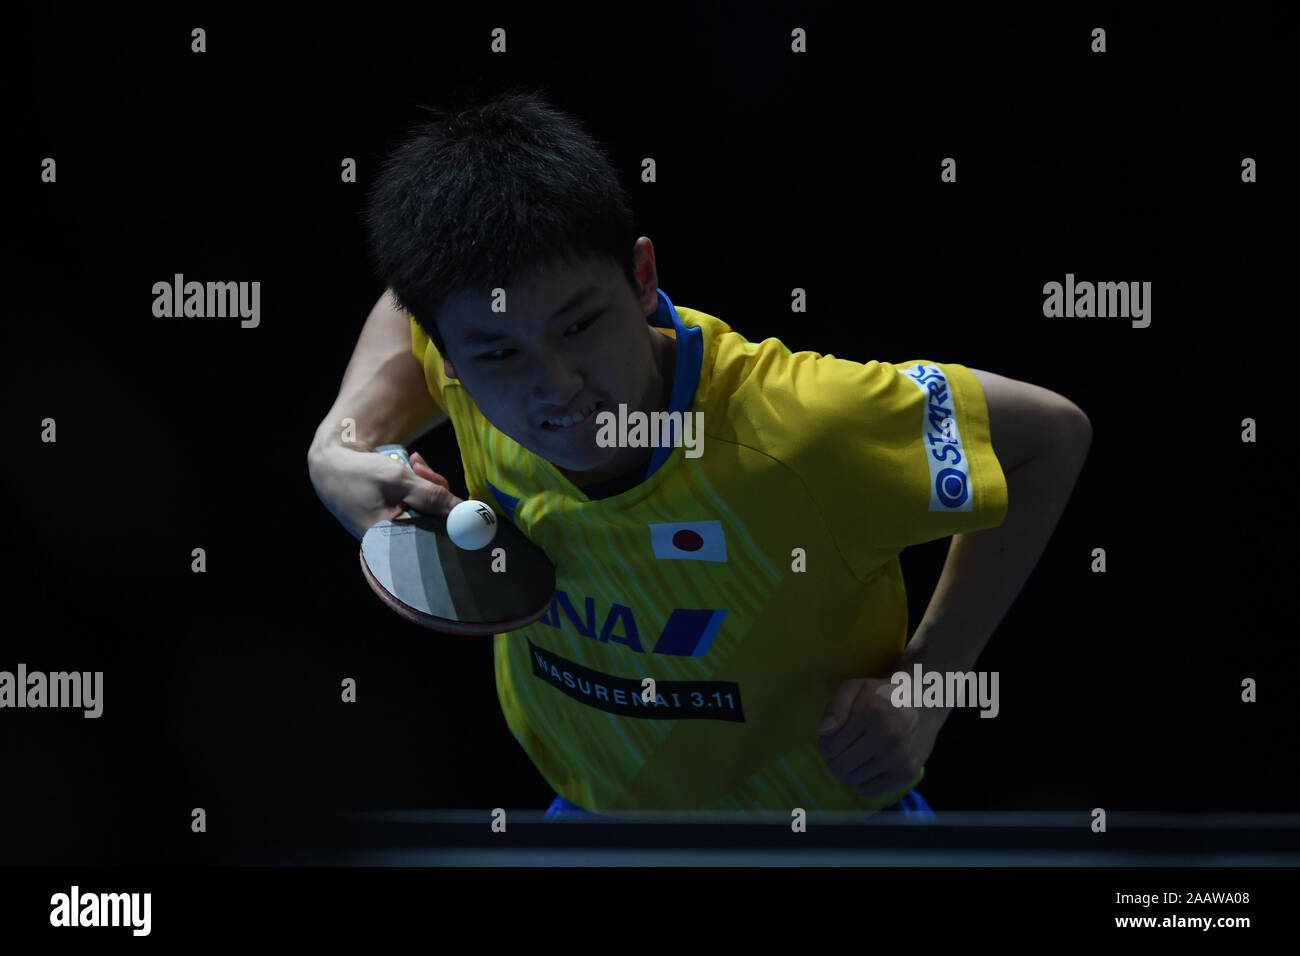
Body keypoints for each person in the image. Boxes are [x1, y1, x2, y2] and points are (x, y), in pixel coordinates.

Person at [307, 90, 1092, 818]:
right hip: (590, 819)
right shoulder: (466, 363)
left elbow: (1048, 435)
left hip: (821, 834)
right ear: (454, 357)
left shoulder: (802, 425)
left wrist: (932, 681)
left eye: (580, 325)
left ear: (643, 276)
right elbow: (406, 303)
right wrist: (336, 444)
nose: (559, 389)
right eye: (499, 353)